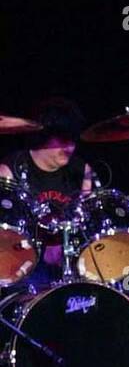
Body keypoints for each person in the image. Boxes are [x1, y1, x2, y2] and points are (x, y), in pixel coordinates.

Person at [0, 98, 94, 290]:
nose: (70, 147)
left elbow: (86, 223)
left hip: (69, 261)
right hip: (22, 263)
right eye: (63, 140)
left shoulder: (81, 170)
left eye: (73, 140)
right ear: (43, 136)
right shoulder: (10, 170)